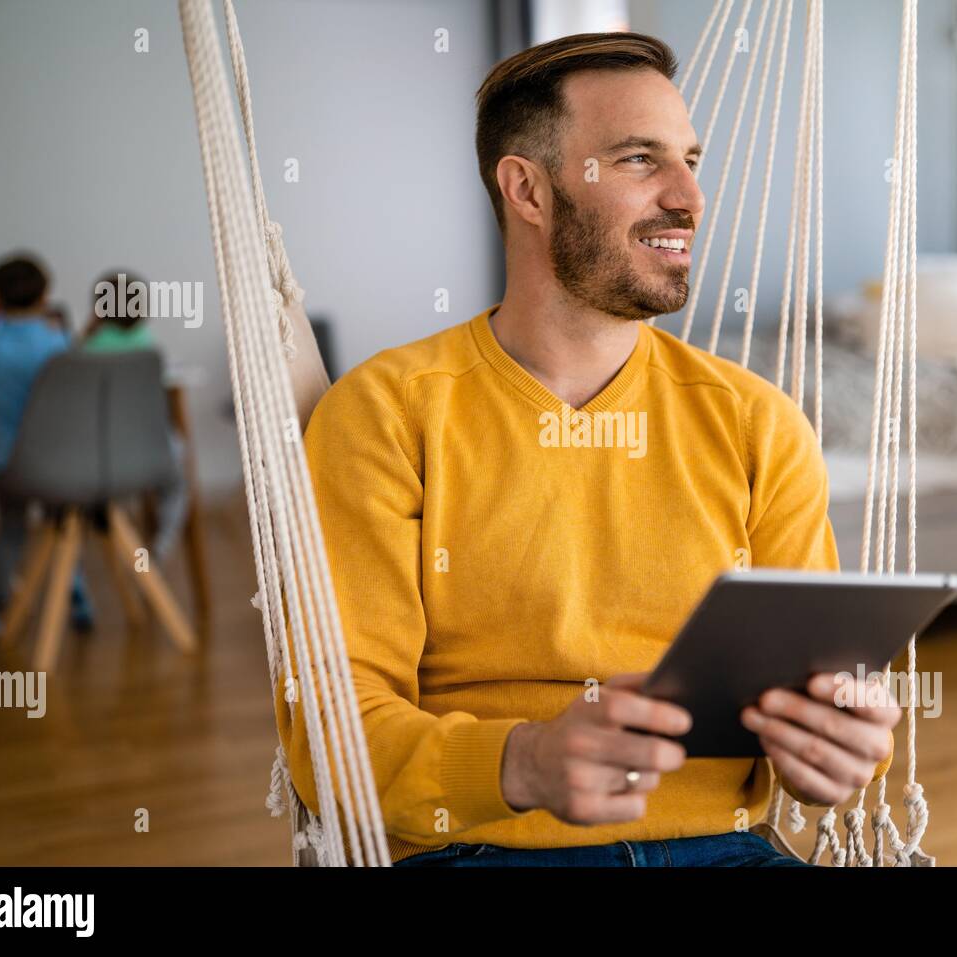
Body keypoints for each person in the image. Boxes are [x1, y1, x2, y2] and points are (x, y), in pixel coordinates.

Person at [277, 32, 900, 867]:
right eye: (642, 160)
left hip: (725, 847)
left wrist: (835, 750)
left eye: (690, 159)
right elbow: (328, 733)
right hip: (484, 847)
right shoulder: (385, 414)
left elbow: (814, 700)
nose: (690, 197)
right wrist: (522, 761)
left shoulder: (759, 423)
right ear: (527, 189)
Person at [0, 253, 93, 644]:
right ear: (46, 295)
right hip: (59, 465)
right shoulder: (61, 342)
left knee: (11, 531)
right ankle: (76, 592)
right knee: (63, 522)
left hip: (6, 466)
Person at [80, 271, 188, 565]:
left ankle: (112, 529)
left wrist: (88, 331)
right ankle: (163, 543)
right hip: (151, 448)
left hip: (102, 455)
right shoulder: (146, 343)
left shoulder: (89, 347)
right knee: (177, 476)